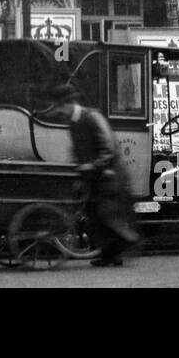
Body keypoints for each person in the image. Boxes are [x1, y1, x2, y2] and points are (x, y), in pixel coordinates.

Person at [41, 83, 140, 267]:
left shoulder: (92, 117)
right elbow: (77, 151)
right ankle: (111, 257)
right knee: (96, 217)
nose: (59, 112)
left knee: (106, 215)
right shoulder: (74, 123)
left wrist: (92, 166)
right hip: (96, 176)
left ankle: (130, 241)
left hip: (109, 175)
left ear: (69, 103)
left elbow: (109, 148)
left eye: (60, 107)